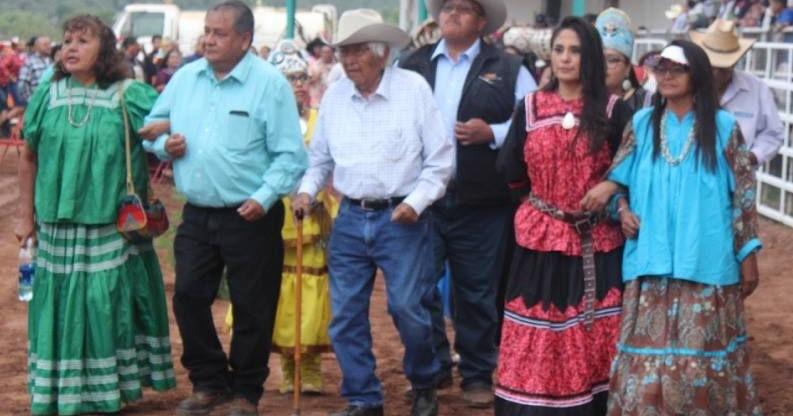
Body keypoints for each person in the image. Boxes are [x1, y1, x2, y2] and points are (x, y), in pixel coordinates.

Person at [142, 2, 308, 415]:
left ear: (245, 39)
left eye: (219, 33)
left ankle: (246, 392)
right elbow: (151, 128)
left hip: (250, 214)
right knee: (188, 296)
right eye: (207, 31)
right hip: (197, 212)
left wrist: (264, 197)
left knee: (253, 304)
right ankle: (209, 381)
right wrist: (166, 145)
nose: (208, 40)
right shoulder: (186, 77)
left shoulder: (269, 85)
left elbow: (291, 155)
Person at [584, 40, 763, 415]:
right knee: (646, 364)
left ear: (696, 75)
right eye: (660, 68)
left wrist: (747, 253)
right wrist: (623, 209)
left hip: (707, 261)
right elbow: (619, 182)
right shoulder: (642, 124)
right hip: (651, 260)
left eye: (675, 69)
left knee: (701, 361)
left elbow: (743, 196)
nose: (665, 76)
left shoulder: (724, 128)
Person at [292, 9, 454, 416]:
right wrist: (307, 192)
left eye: (357, 50)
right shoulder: (334, 96)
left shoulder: (413, 89)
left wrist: (415, 204)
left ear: (381, 54)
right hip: (348, 216)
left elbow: (440, 161)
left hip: (403, 218)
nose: (348, 59)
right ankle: (363, 398)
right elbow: (320, 161)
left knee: (407, 308)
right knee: (345, 315)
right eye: (343, 51)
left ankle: (423, 379)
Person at [16, 14, 176, 415]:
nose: (70, 47)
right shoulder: (46, 96)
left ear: (104, 51)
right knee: (57, 304)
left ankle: (105, 393)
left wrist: (165, 139)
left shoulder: (129, 94)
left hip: (110, 226)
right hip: (55, 225)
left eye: (82, 41)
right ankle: (62, 393)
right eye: (67, 40)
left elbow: (167, 129)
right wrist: (24, 217)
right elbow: (29, 156)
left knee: (104, 303)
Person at [399, 0, 537, 407]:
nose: (451, 13)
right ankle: (434, 367)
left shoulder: (510, 67)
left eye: (463, 8)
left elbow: (534, 117)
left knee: (476, 291)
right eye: (446, 7)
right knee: (418, 289)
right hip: (421, 200)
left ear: (481, 21)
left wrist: (492, 133)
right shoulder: (412, 64)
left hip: (482, 199)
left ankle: (477, 371)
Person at [494, 16, 631, 416]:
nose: (566, 59)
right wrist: (547, 207)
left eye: (575, 50)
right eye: (559, 50)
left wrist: (611, 187)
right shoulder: (531, 106)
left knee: (593, 338)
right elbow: (512, 172)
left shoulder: (612, 109)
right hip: (540, 242)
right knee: (538, 331)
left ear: (590, 56)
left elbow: (634, 169)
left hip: (598, 243)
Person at [691, 18, 784, 166]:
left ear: (734, 63)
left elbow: (773, 133)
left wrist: (752, 156)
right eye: (711, 66)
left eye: (722, 68)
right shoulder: (687, 84)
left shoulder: (757, 88)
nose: (715, 73)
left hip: (736, 181)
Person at [596, 8, 648, 113]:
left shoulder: (647, 102)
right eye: (598, 59)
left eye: (612, 60)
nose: (603, 66)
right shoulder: (581, 102)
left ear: (628, 68)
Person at [17, 36, 51, 104]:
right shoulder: (29, 62)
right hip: (37, 103)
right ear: (36, 47)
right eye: (45, 45)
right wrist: (32, 101)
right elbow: (22, 85)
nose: (49, 47)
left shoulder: (53, 61)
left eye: (49, 44)